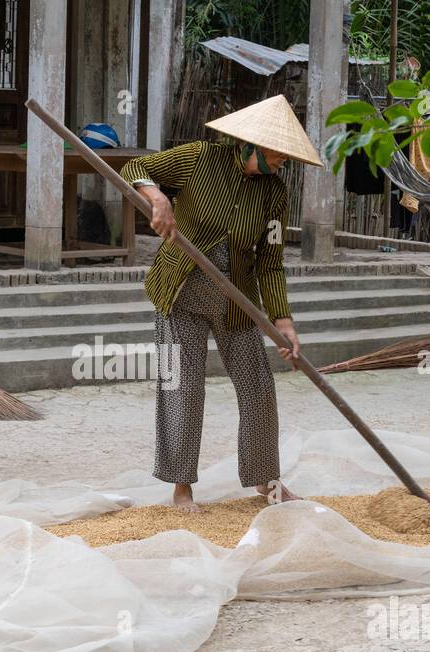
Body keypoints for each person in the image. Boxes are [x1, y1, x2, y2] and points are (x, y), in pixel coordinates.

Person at [118, 95, 323, 512]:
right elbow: (134, 168)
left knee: (260, 390)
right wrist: (159, 199)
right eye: (278, 152)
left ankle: (266, 482)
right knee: (184, 389)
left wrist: (283, 320)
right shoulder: (198, 159)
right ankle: (181, 487)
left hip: (237, 304)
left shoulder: (274, 194)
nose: (284, 160)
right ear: (251, 143)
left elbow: (270, 260)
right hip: (181, 294)